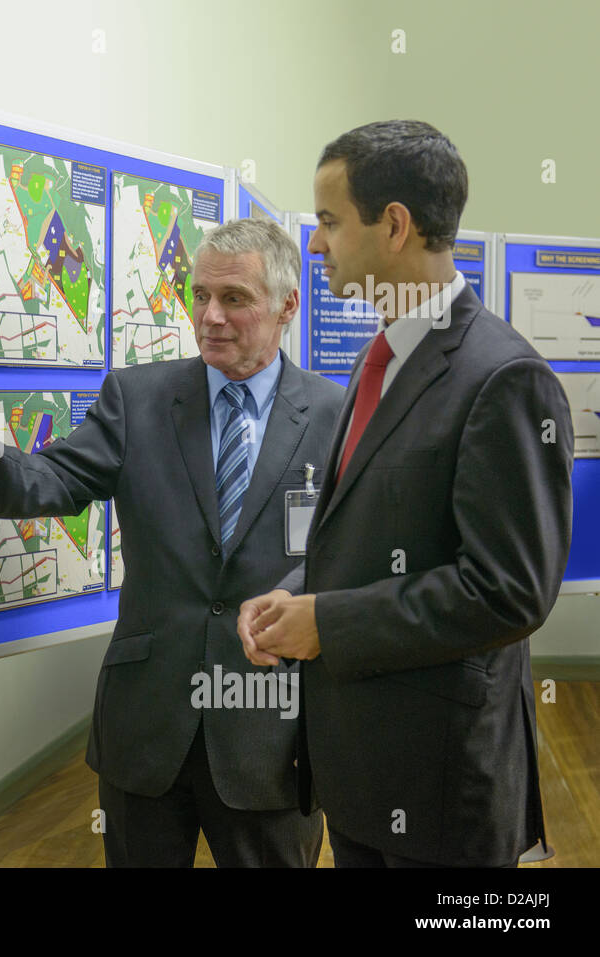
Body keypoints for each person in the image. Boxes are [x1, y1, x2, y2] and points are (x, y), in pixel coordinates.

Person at [0, 218, 345, 866]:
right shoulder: (140, 397)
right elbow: (55, 479)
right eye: (200, 294)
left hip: (271, 732)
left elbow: (351, 560)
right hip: (147, 727)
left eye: (234, 298)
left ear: (287, 305)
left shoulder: (335, 416)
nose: (210, 316)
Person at [238, 120, 574, 868]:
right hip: (359, 771)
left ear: (394, 225)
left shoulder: (503, 379)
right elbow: (366, 533)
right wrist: (294, 594)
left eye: (328, 221)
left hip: (440, 790)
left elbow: (509, 592)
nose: (314, 245)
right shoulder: (376, 358)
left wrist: (327, 622)